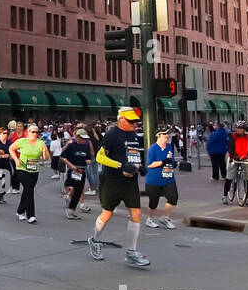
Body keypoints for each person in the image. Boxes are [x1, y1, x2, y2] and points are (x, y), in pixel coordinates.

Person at [87, 107, 150, 268]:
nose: (134, 124)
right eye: (131, 121)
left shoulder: (134, 135)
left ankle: (131, 252)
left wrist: (140, 166)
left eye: (136, 122)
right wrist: (120, 165)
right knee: (107, 214)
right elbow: (100, 157)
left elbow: (133, 154)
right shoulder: (112, 135)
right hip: (112, 181)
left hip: (130, 182)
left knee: (136, 213)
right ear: (121, 119)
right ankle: (94, 240)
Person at [8, 123, 50, 223]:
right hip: (22, 168)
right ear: (28, 132)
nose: (35, 134)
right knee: (29, 189)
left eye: (37, 132)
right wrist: (16, 159)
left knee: (28, 190)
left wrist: (44, 151)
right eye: (33, 132)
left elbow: (46, 158)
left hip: (34, 170)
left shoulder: (41, 143)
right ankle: (31, 215)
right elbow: (11, 148)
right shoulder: (22, 141)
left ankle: (20, 211)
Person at [144, 128, 180, 229]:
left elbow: (171, 160)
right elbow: (149, 164)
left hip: (168, 178)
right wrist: (163, 162)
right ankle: (150, 219)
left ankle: (166, 218)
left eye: (168, 134)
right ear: (158, 135)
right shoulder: (153, 148)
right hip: (154, 180)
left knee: (173, 198)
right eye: (164, 134)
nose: (167, 136)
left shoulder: (169, 147)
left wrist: (174, 164)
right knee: (153, 201)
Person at [61, 126, 94, 219]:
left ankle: (71, 210)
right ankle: (68, 197)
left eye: (85, 139)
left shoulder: (86, 146)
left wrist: (89, 161)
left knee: (79, 191)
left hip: (82, 170)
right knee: (71, 185)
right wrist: (71, 165)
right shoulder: (71, 145)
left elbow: (89, 157)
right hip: (73, 169)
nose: (84, 140)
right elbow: (62, 157)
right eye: (82, 138)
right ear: (77, 137)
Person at [223, 123, 248, 204]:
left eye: (241, 128)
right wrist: (233, 157)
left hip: (245, 157)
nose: (238, 130)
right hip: (234, 157)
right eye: (237, 128)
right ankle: (225, 195)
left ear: (244, 129)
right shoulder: (232, 136)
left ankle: (247, 197)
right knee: (229, 176)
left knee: (246, 178)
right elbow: (230, 147)